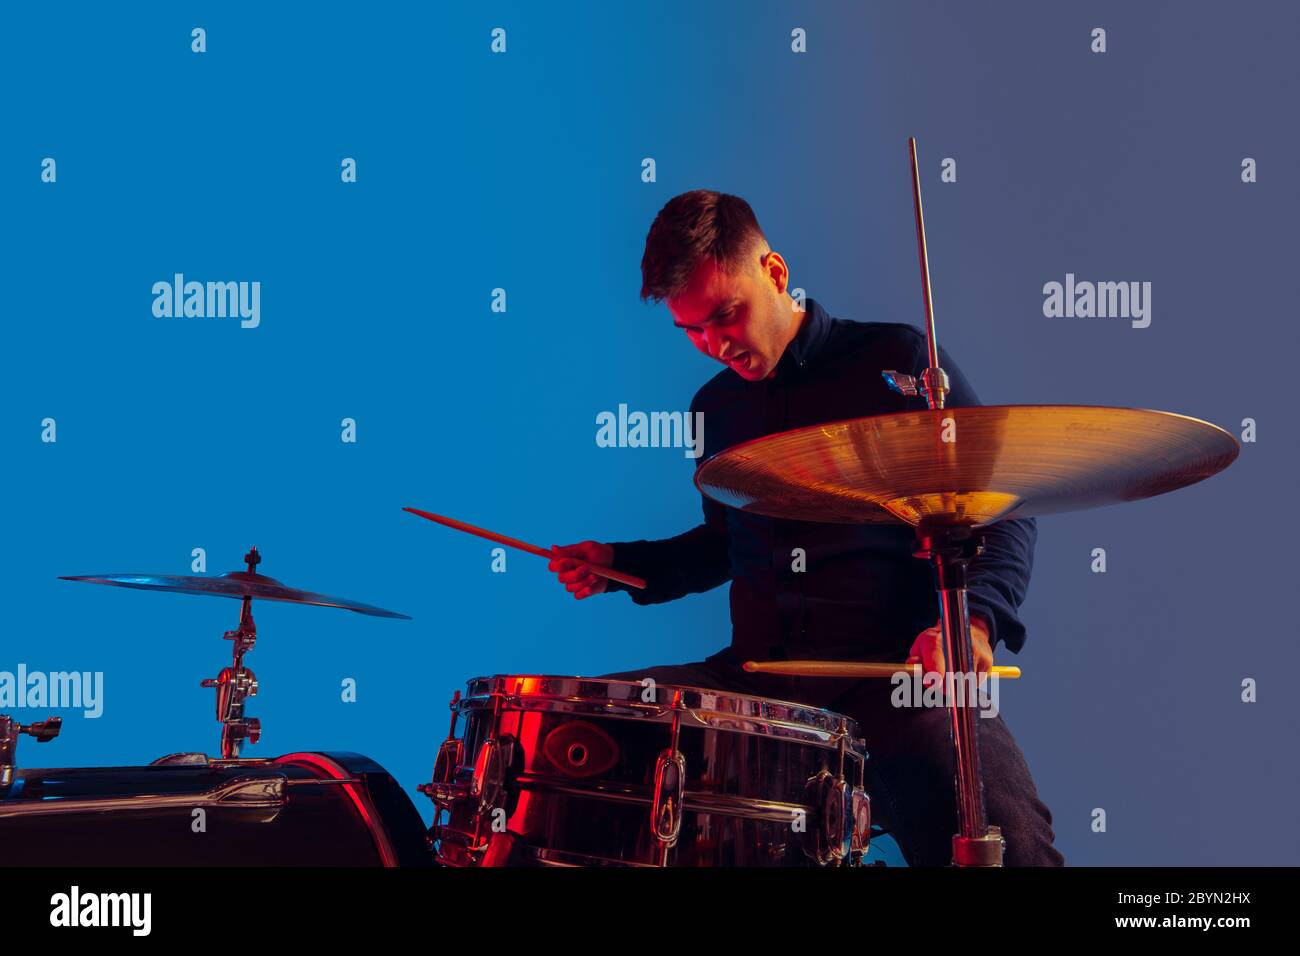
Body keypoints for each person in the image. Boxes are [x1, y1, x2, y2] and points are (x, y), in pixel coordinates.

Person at [548, 189, 1063, 866]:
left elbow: (1001, 508)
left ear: (776, 272)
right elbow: (724, 545)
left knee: (1009, 845)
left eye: (725, 315)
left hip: (897, 681)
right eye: (693, 331)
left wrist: (973, 625)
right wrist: (616, 562)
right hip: (758, 681)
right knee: (578, 738)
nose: (715, 344)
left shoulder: (897, 361)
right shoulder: (717, 407)